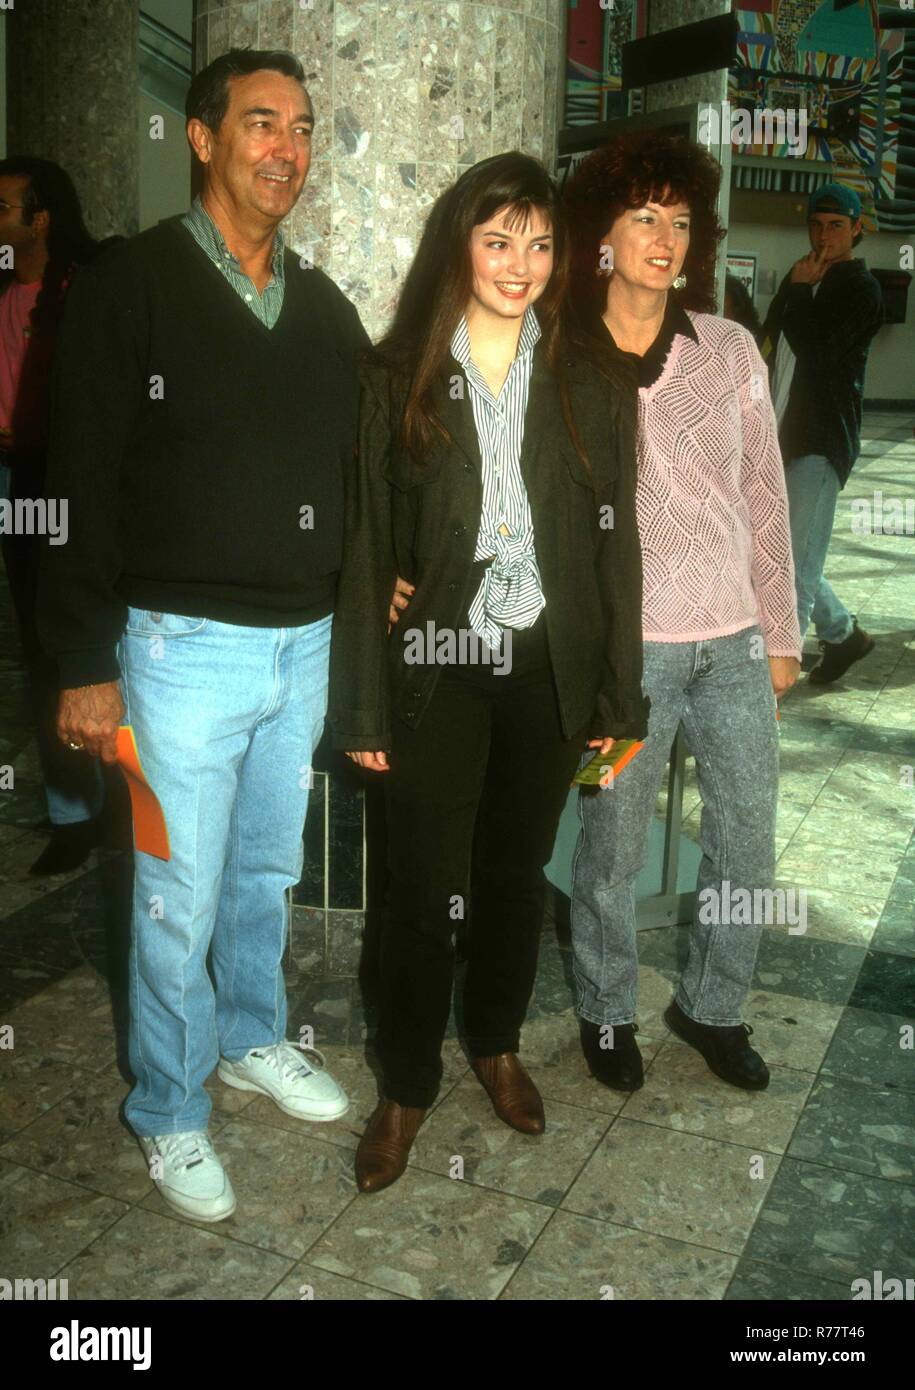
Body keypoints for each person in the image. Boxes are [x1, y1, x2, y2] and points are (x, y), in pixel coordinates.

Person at [37, 49, 368, 1224]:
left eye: (304, 129)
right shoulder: (131, 285)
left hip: (303, 647)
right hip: (176, 652)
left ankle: (250, 1038)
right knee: (174, 898)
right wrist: (84, 660)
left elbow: (366, 463)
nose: (287, 149)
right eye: (261, 123)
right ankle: (170, 1113)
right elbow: (67, 479)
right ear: (201, 137)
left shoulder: (322, 306)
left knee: (265, 875)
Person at [329, 151, 649, 1194]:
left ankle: (497, 1043)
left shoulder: (592, 374)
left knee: (516, 877)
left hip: (550, 664)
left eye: (541, 243)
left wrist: (617, 692)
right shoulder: (399, 375)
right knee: (420, 887)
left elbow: (617, 544)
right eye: (499, 239)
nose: (521, 263)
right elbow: (372, 546)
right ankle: (406, 1082)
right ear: (459, 246)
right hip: (437, 660)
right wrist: (365, 700)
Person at [563, 131, 801, 1094]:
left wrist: (779, 633)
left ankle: (712, 1006)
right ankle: (606, 1008)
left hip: (734, 644)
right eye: (642, 217)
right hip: (625, 660)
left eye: (679, 221)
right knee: (609, 840)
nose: (663, 238)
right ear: (601, 238)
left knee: (748, 832)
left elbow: (767, 497)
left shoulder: (730, 346)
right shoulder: (560, 355)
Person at [0, 157, 106, 874]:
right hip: (11, 475)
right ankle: (73, 812)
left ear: (40, 218)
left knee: (80, 641)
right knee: (38, 648)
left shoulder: (83, 288)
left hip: (59, 477)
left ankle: (111, 808)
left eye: (3, 208)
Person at [760, 182, 883, 684]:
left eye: (836, 226)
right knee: (784, 551)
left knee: (794, 572)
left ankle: (771, 686)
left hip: (820, 442)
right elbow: (764, 339)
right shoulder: (804, 277)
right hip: (780, 435)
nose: (824, 235)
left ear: (857, 230)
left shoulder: (860, 290)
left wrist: (800, 292)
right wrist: (792, 287)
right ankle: (844, 636)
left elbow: (819, 351)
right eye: (816, 224)